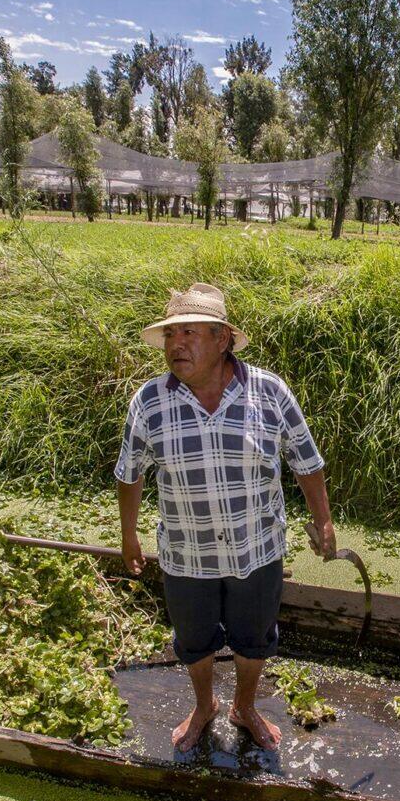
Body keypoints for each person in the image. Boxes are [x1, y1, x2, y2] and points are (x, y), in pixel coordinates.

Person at [115, 282, 335, 752]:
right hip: (185, 552)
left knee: (254, 637)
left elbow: (307, 463)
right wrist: (129, 535)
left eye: (189, 333)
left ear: (222, 339)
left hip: (256, 549)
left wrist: (324, 522)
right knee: (193, 640)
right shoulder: (149, 402)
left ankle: (245, 706)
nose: (176, 345)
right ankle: (204, 706)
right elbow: (129, 472)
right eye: (171, 335)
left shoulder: (269, 393)